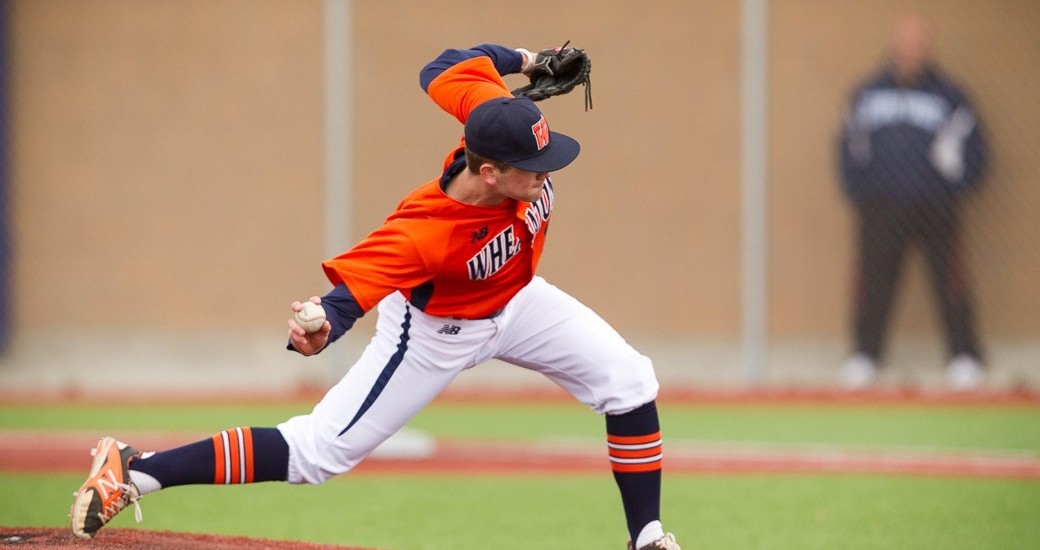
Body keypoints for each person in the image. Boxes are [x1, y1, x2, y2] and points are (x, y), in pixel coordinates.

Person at [69, 44, 681, 550]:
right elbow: (343, 302)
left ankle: (646, 537)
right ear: (489, 171)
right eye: (534, 163)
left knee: (629, 380)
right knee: (318, 453)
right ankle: (138, 468)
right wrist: (319, 329)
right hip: (434, 332)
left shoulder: (494, 118)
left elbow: (441, 67)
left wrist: (526, 58)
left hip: (519, 303)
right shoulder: (422, 231)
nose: (547, 171)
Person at [837, 14, 987, 391]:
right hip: (881, 206)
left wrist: (957, 183)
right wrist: (860, 191)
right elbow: (847, 145)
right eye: (906, 43)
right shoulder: (868, 93)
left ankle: (963, 355)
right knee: (872, 281)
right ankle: (864, 355)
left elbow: (976, 149)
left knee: (951, 281)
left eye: (919, 44)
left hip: (936, 205)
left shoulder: (948, 95)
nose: (912, 51)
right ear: (893, 46)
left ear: (928, 49)